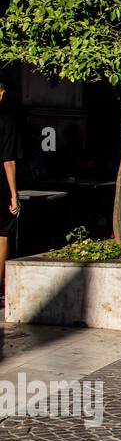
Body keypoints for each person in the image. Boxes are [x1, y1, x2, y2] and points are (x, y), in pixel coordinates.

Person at [0, 82, 17, 304]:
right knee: (2, 236)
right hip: (0, 185)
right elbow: (8, 161)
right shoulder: (6, 121)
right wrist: (14, 194)